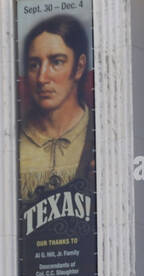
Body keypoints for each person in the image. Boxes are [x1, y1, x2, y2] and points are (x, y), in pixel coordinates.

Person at [18, 14, 94, 201]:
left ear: (79, 66)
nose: (42, 78)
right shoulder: (17, 139)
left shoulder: (97, 132)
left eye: (56, 62)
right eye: (35, 65)